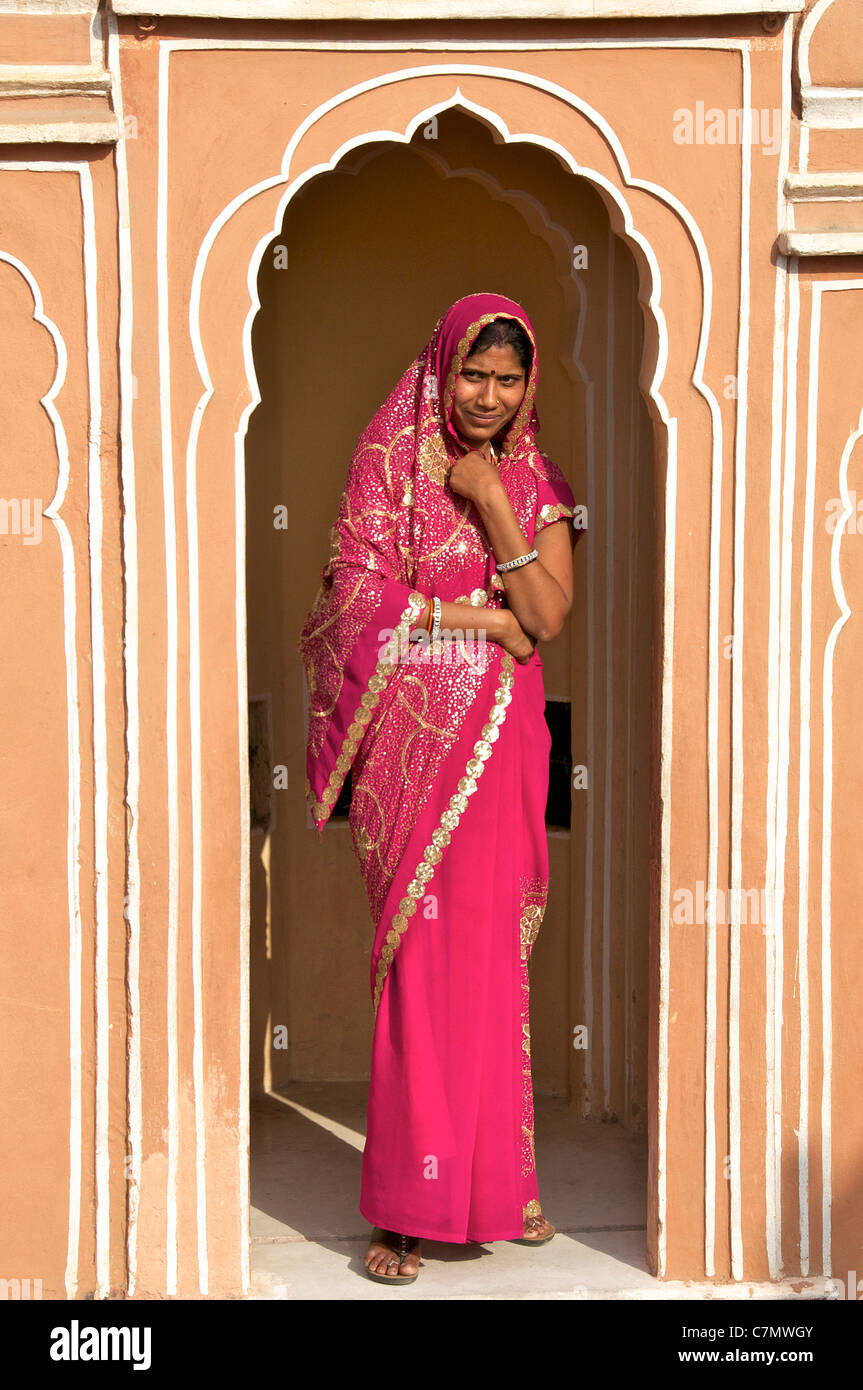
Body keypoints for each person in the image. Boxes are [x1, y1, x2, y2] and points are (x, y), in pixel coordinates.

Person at [298, 292, 582, 1286]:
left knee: (492, 966)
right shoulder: (384, 468)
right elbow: (353, 601)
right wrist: (483, 627)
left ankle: (501, 1189)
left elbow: (545, 615)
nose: (490, 396)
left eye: (508, 380)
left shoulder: (538, 484)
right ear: (441, 367)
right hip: (413, 753)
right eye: (474, 374)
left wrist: (494, 497)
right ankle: (407, 1209)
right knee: (419, 974)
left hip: (501, 748)